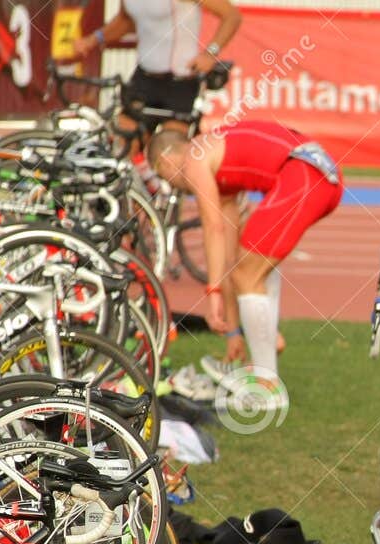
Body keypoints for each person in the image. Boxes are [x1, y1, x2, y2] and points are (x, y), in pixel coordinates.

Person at [148, 121, 343, 388]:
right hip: (315, 173)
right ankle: (266, 344)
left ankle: (266, 385)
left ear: (166, 162)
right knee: (250, 266)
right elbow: (230, 260)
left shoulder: (195, 158)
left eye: (163, 176)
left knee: (248, 273)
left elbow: (212, 228)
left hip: (304, 173)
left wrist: (213, 294)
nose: (174, 187)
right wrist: (233, 332)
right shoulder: (219, 167)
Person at [73, 0, 242, 138]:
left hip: (180, 83)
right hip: (144, 78)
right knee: (121, 141)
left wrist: (210, 54)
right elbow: (125, 22)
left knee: (168, 151)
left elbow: (231, 16)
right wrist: (93, 40)